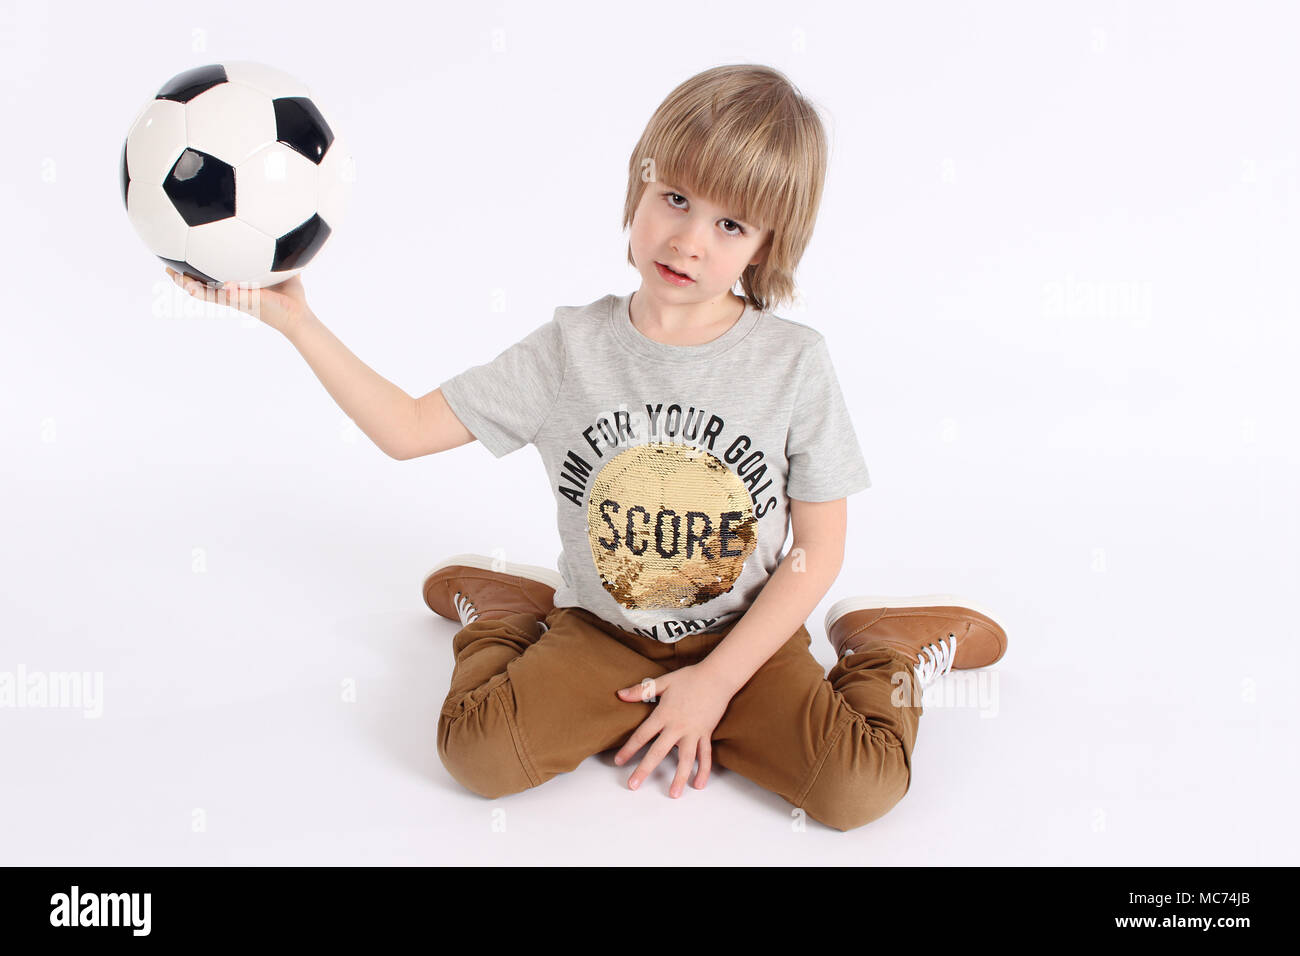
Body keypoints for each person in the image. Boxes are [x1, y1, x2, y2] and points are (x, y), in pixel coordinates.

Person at [168, 64, 1007, 832]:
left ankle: (887, 650)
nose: (689, 241)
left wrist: (713, 685)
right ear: (638, 188)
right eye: (675, 198)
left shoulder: (794, 364)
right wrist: (296, 321)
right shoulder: (571, 348)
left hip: (741, 642)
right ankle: (504, 615)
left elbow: (817, 551)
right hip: (603, 632)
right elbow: (406, 430)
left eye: (730, 223)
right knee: (478, 756)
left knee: (856, 790)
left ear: (767, 245)